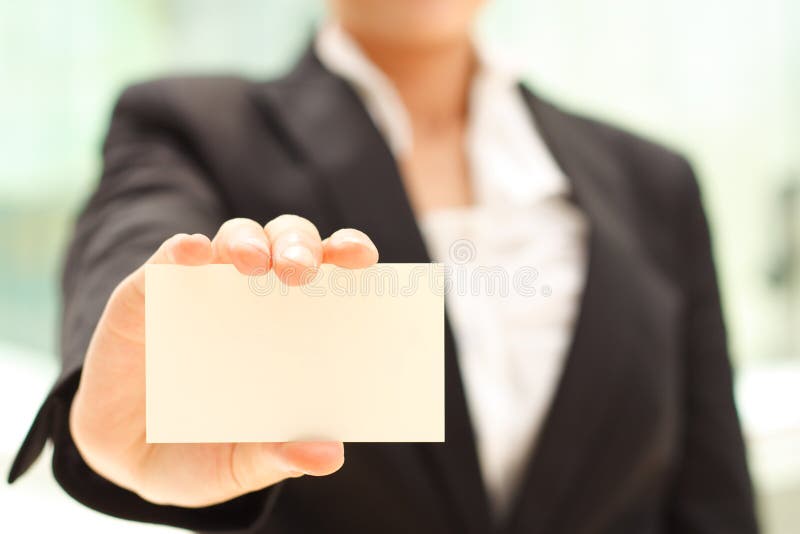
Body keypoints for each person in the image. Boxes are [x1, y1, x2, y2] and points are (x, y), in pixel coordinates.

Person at [8, 1, 759, 533]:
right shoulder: (196, 128)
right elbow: (139, 235)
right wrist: (133, 382)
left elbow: (713, 500)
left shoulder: (653, 181)